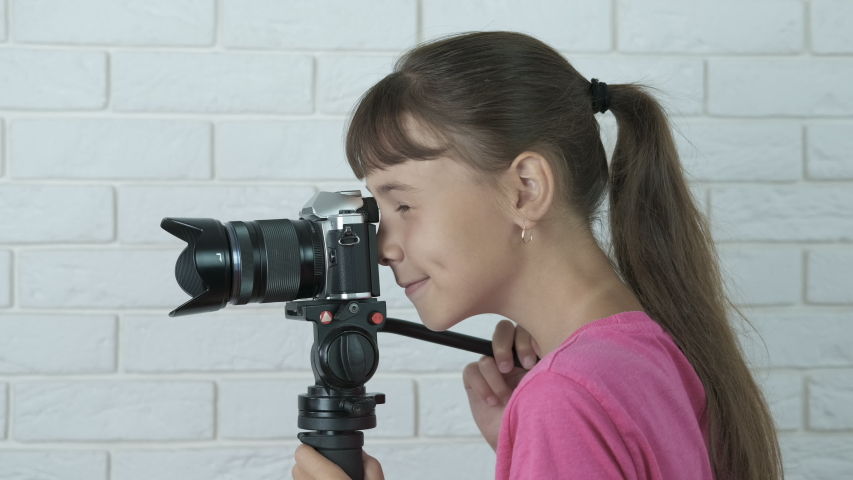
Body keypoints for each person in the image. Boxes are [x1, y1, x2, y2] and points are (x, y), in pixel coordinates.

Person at [292, 31, 783, 480]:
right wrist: (533, 449)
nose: (382, 248)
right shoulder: (648, 354)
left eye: (402, 205)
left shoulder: (567, 395)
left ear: (525, 189)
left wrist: (554, 425)